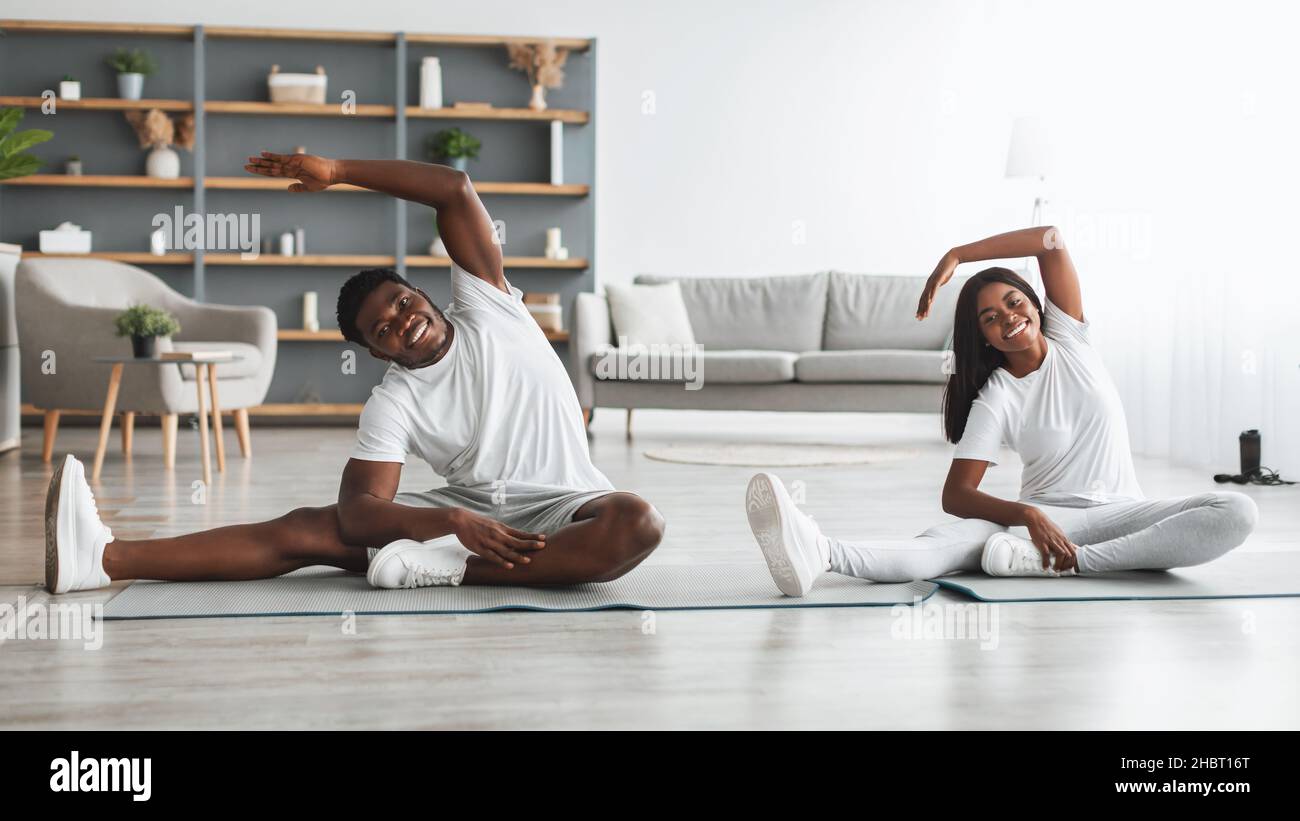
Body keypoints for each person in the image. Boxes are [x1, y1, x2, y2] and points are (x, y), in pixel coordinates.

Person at [45, 153, 664, 594]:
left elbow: (453, 188)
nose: (401, 322)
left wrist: (338, 172)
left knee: (637, 523)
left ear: (423, 293)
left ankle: (447, 570)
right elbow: (360, 512)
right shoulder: (394, 400)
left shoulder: (488, 306)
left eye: (401, 303)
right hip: (471, 516)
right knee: (303, 530)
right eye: (383, 329)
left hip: (567, 505)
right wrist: (449, 522)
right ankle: (100, 559)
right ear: (377, 351)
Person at [743, 226, 1258, 596]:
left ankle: (1066, 566)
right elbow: (957, 496)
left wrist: (958, 254)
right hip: (1048, 520)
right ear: (983, 336)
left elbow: (1051, 239)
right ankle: (821, 551)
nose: (1009, 318)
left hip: (1123, 512)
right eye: (991, 318)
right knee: (948, 544)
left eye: (1014, 302)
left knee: (1236, 510)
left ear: (1035, 302)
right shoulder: (997, 395)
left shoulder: (1072, 338)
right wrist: (1028, 515)